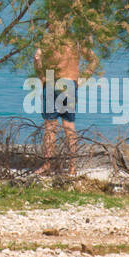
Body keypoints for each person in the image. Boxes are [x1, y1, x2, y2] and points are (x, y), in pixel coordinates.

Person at [33, 39, 97, 176]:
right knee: (69, 127)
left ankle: (47, 164)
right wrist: (80, 80)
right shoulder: (77, 41)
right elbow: (94, 60)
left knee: (50, 127)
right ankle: (73, 167)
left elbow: (37, 58)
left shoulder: (49, 40)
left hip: (52, 80)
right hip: (70, 82)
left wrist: (42, 79)